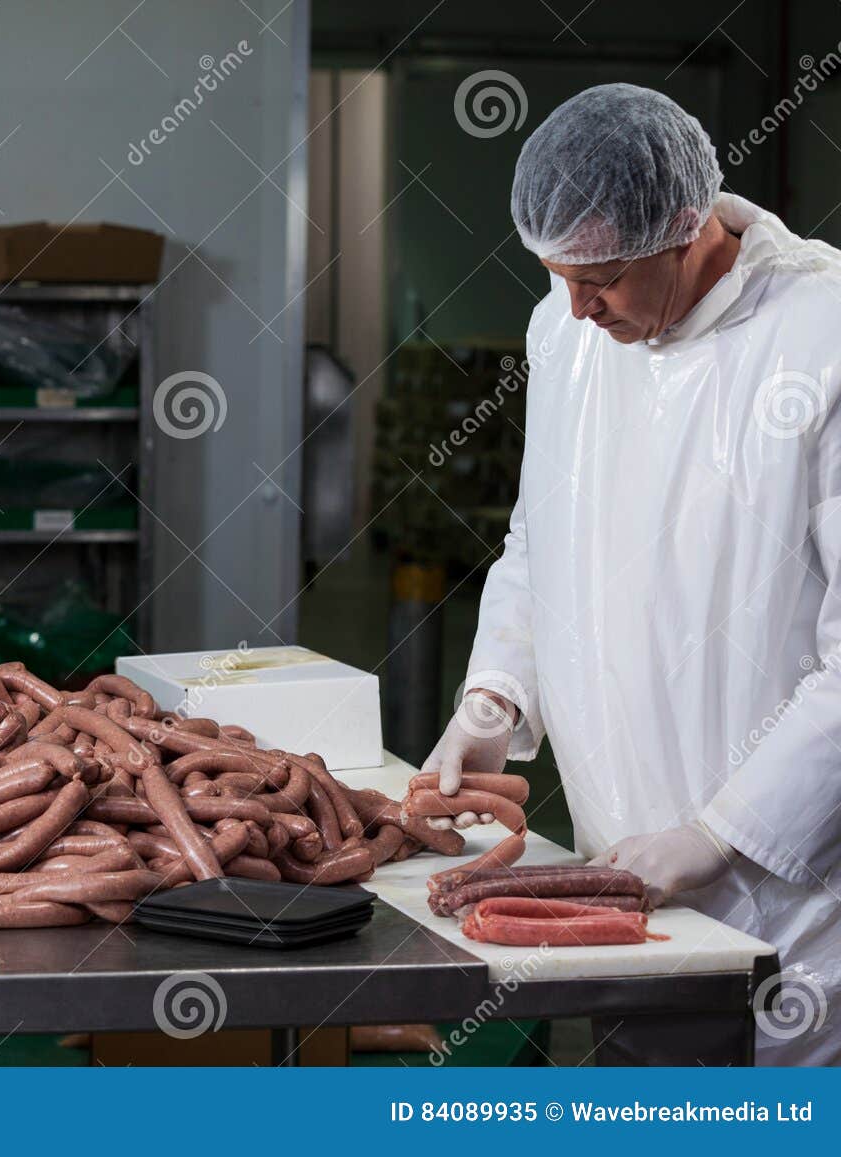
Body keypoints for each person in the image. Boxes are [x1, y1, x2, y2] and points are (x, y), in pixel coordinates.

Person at [424, 84, 841, 1065]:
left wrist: (718, 832)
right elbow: (542, 541)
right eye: (556, 275)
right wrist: (494, 697)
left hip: (793, 906)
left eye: (601, 276)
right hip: (623, 887)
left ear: (687, 229)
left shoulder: (819, 342)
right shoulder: (566, 332)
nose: (576, 305)